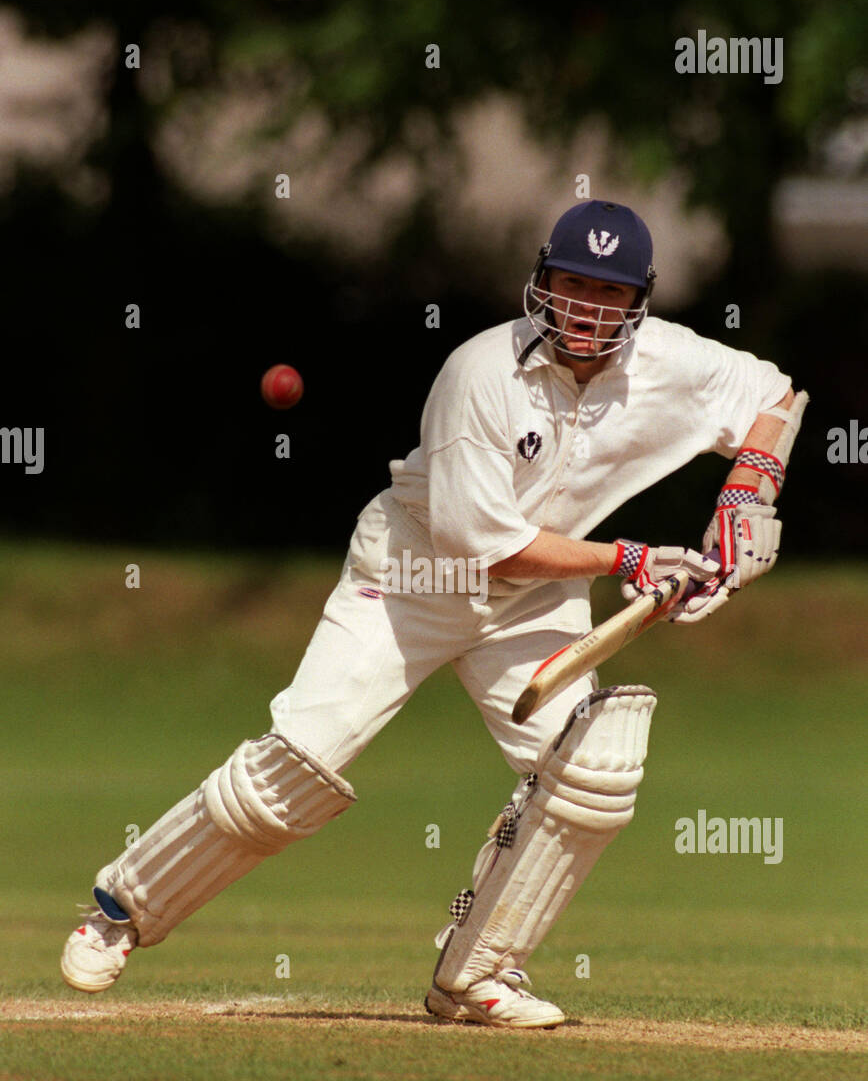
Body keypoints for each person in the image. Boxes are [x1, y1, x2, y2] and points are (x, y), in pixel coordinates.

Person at [60, 199, 807, 1029]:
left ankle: (477, 975)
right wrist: (631, 559)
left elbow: (775, 393)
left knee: (594, 771)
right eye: (570, 285)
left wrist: (748, 491)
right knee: (297, 768)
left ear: (640, 302)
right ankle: (120, 909)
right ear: (540, 281)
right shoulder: (479, 373)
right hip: (416, 572)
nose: (587, 308)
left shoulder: (670, 362)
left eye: (609, 293)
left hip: (534, 600)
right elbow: (483, 545)